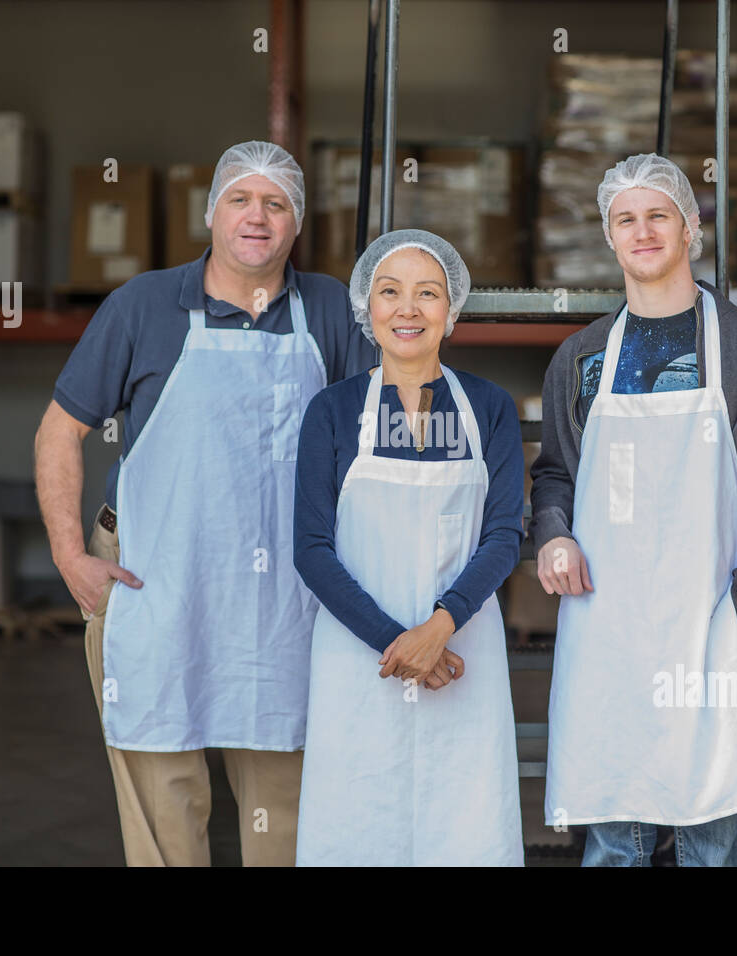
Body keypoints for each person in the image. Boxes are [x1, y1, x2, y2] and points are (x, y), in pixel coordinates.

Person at [33, 141, 376, 866]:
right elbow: (59, 432)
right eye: (240, 200)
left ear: (297, 222)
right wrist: (70, 554)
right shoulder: (144, 305)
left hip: (288, 593)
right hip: (157, 579)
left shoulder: (332, 311)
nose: (258, 217)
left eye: (276, 203)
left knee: (283, 802)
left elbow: (375, 442)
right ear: (212, 212)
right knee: (164, 788)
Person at [532, 153, 737, 867]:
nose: (643, 230)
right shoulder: (582, 358)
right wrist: (554, 539)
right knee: (614, 837)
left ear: (691, 228)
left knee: (710, 835)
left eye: (659, 215)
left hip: (709, 620)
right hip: (606, 625)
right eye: (626, 219)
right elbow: (557, 472)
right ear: (608, 235)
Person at [292, 229, 525, 866]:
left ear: (452, 312)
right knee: (359, 823)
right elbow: (312, 549)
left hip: (463, 650)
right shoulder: (333, 412)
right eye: (390, 292)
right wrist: (403, 645)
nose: (409, 308)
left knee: (464, 826)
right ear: (367, 308)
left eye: (428, 294)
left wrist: (440, 628)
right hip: (360, 663)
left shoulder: (488, 408)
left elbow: (505, 534)